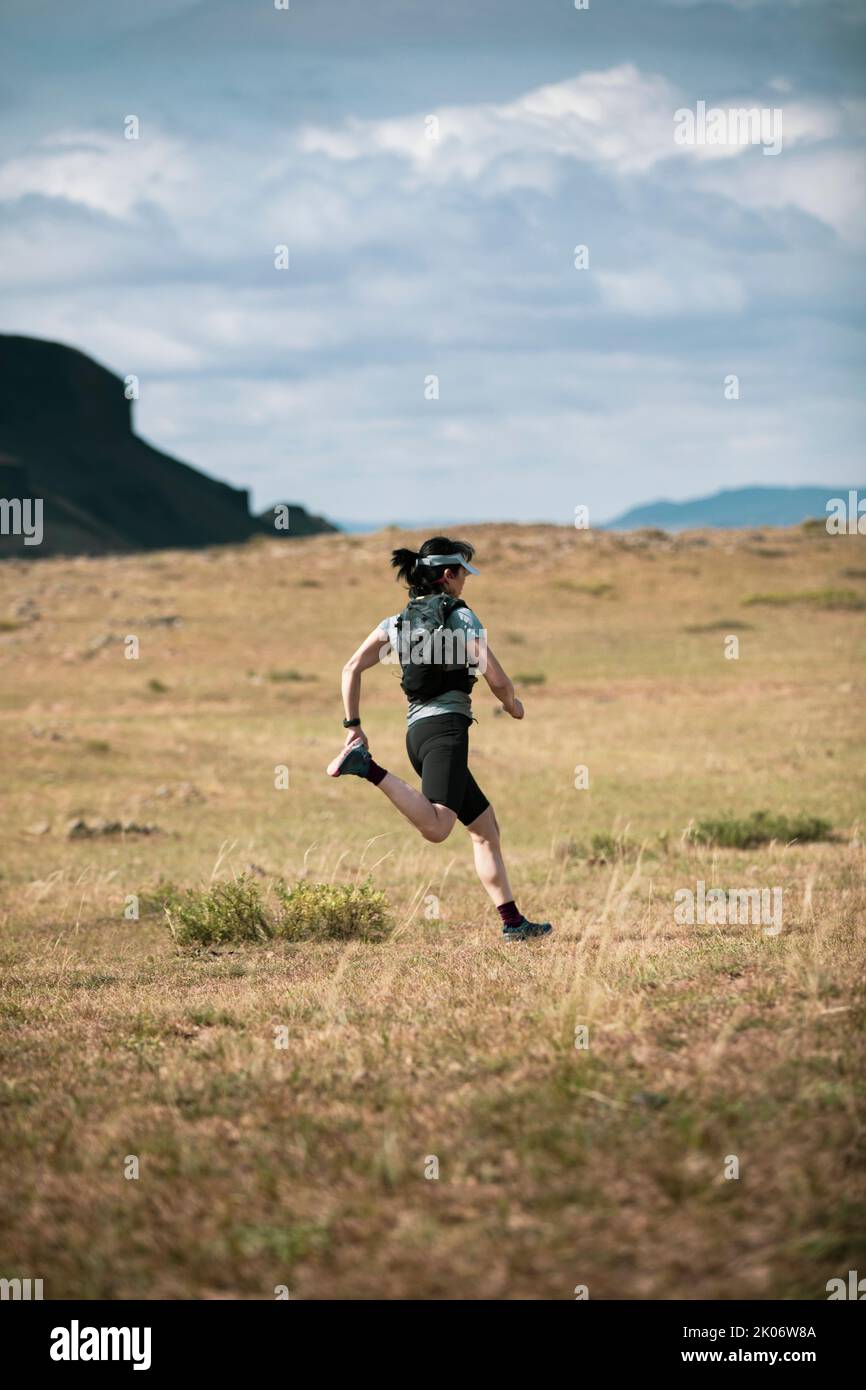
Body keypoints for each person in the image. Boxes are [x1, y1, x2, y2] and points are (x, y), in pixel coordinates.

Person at [326, 536, 552, 941]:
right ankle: (367, 767)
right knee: (437, 828)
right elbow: (496, 678)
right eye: (463, 573)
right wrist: (513, 705)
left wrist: (353, 724)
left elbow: (350, 668)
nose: (466, 581)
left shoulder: (395, 623)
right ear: (448, 575)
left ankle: (513, 923)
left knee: (484, 827)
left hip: (417, 734)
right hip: (447, 733)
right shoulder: (461, 617)